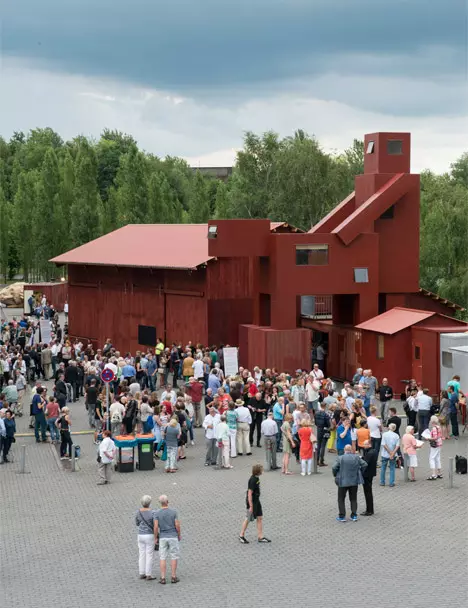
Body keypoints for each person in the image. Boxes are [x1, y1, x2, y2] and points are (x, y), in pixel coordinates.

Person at [332, 444, 367, 522]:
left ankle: (342, 516)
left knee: (341, 499)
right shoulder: (356, 457)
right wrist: (360, 472)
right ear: (351, 450)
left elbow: (334, 467)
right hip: (354, 481)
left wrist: (335, 474)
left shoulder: (340, 458)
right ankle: (354, 515)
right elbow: (364, 464)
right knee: (353, 499)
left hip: (342, 481)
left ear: (344, 450)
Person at [239, 464, 271, 544]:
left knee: (259, 517)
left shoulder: (256, 478)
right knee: (248, 518)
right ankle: (241, 535)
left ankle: (260, 536)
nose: (262, 471)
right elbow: (249, 493)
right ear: (258, 471)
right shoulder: (253, 480)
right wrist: (251, 506)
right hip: (252, 502)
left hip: (257, 501)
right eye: (261, 469)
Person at [154, 494, 181, 585]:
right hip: (173, 536)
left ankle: (162, 577)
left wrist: (155, 537)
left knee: (162, 557)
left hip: (163, 537)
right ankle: (173, 576)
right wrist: (179, 534)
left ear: (160, 503)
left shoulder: (157, 513)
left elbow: (156, 526)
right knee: (174, 556)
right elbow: (177, 524)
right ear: (167, 501)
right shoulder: (173, 512)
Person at [135, 495, 157, 580]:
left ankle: (141, 572)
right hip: (149, 535)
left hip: (140, 535)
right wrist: (156, 537)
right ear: (149, 503)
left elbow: (137, 523)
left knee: (141, 554)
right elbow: (155, 525)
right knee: (149, 554)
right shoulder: (153, 512)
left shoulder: (138, 512)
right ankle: (148, 574)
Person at [360, 439, 378, 515]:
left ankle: (369, 510)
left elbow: (365, 463)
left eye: (365, 444)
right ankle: (370, 509)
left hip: (367, 475)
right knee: (368, 492)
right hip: (371, 474)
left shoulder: (369, 453)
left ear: (369, 445)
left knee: (367, 492)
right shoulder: (374, 451)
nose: (364, 446)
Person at [379, 423, 400, 487]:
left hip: (385, 454)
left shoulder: (384, 434)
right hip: (393, 454)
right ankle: (391, 482)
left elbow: (384, 444)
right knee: (392, 468)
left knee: (383, 468)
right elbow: (397, 446)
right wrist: (392, 453)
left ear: (389, 427)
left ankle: (382, 482)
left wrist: (389, 452)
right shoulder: (396, 435)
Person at [314, 401, 330, 466]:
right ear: (325, 406)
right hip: (325, 429)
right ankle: (321, 461)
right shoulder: (326, 414)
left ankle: (317, 460)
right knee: (323, 446)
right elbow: (328, 424)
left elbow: (315, 422)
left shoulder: (316, 413)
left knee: (318, 445)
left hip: (319, 429)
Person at [427, 415, 443, 481]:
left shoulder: (434, 428)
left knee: (431, 458)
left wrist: (429, 438)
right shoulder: (438, 427)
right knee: (437, 458)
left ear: (432, 421)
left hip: (435, 445)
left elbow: (435, 437)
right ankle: (439, 473)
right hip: (439, 444)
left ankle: (433, 474)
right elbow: (440, 436)